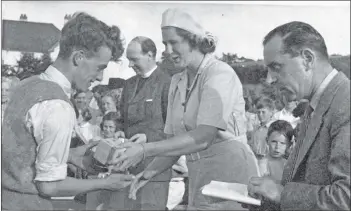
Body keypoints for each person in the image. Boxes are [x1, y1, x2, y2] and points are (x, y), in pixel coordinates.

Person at [111, 8, 260, 210]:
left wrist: (144, 150)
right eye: (165, 44)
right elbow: (172, 142)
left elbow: (204, 136)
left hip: (231, 177)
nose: (167, 51)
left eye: (174, 43)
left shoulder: (219, 74)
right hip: (199, 175)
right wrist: (148, 173)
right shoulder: (177, 80)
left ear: (193, 41)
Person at [1, 12, 134, 210]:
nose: (99, 77)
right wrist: (106, 183)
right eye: (99, 67)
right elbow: (48, 186)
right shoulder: (58, 105)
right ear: (79, 57)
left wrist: (71, 156)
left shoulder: (26, 86)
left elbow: (18, 151)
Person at [247, 21, 350, 210]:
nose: (270, 79)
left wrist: (280, 194)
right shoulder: (316, 105)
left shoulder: (346, 104)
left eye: (276, 67)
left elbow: (345, 198)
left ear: (307, 59)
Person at [114, 36, 173, 210]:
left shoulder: (167, 83)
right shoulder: (129, 84)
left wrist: (148, 137)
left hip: (154, 167)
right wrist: (119, 130)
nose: (130, 65)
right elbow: (123, 120)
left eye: (134, 60)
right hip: (127, 166)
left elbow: (174, 128)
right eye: (128, 60)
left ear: (150, 55)